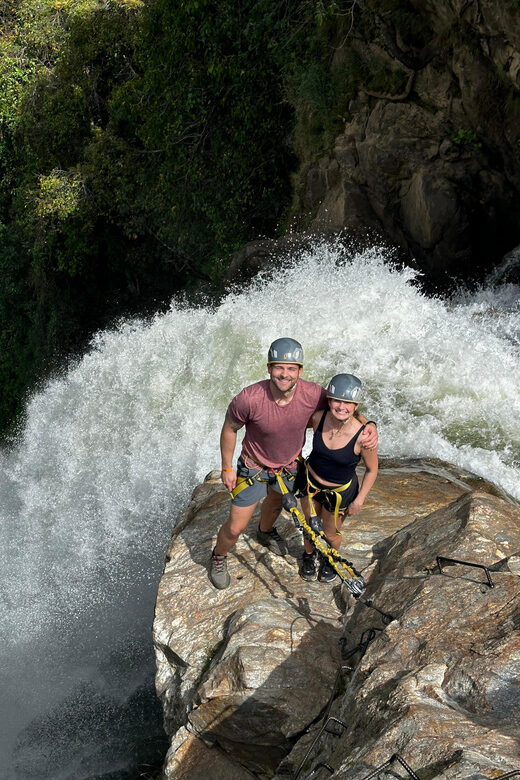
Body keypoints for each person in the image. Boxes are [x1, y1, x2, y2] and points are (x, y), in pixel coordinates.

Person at [209, 338, 378, 589]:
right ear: (269, 368)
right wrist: (227, 467)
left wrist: (369, 424)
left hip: (289, 467)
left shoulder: (313, 394)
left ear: (300, 371)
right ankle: (218, 556)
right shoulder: (249, 398)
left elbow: (342, 406)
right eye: (279, 367)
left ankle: (265, 532)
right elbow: (230, 428)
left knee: (276, 502)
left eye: (291, 368)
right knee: (235, 528)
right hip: (254, 467)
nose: (284, 374)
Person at [295, 373, 378, 584]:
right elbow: (291, 424)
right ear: (329, 400)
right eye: (336, 400)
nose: (341, 406)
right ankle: (309, 555)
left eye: (347, 402)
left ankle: (329, 559)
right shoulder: (318, 418)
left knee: (331, 534)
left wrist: (359, 500)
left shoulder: (363, 437)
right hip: (311, 483)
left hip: (339, 494)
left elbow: (372, 470)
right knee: (309, 525)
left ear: (356, 405)